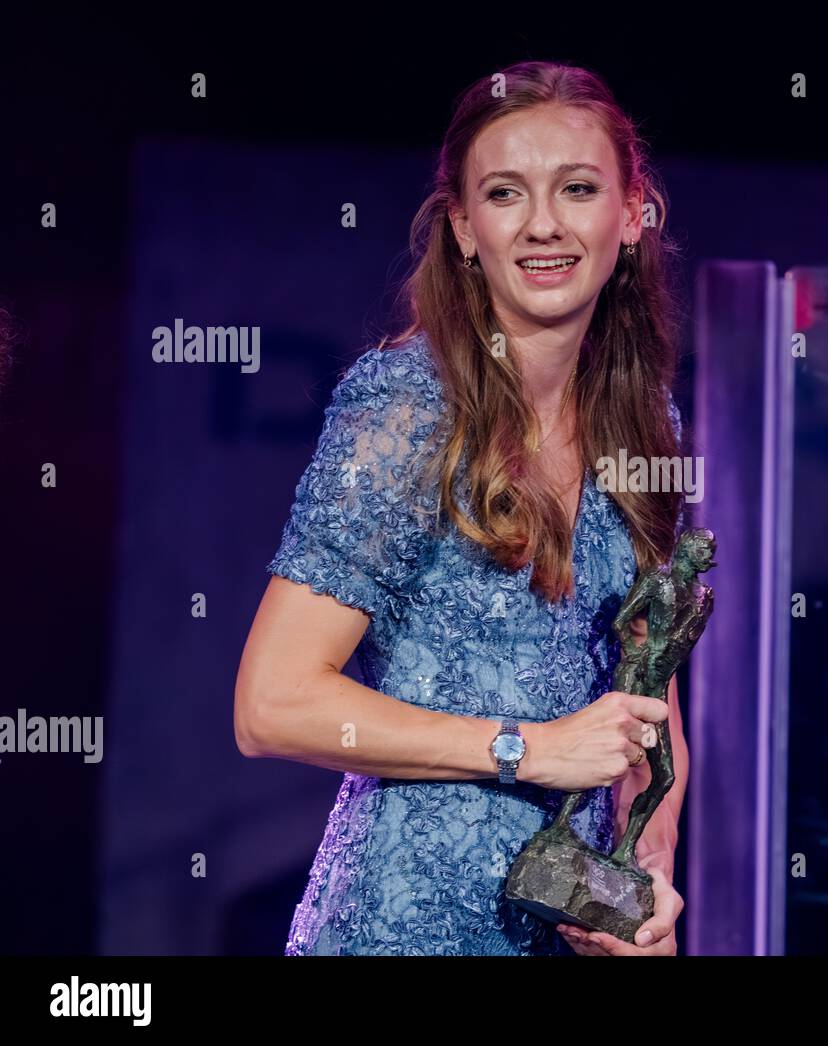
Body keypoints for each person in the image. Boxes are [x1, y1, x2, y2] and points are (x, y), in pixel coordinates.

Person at [234, 60, 690, 956]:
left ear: (633, 216)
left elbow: (650, 698)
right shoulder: (409, 405)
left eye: (579, 188)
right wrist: (530, 747)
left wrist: (645, 882)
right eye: (506, 194)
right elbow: (271, 704)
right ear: (464, 228)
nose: (545, 224)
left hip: (564, 929)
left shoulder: (646, 418)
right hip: (401, 926)